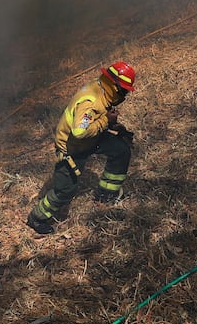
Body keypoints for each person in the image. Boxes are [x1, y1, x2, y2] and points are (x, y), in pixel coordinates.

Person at [26, 61, 136, 235]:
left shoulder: (101, 90)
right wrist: (106, 121)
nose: (124, 96)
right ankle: (36, 218)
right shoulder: (91, 101)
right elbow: (79, 131)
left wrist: (114, 127)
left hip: (91, 140)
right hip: (72, 148)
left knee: (120, 150)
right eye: (123, 91)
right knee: (65, 191)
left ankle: (107, 194)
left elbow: (94, 123)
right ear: (114, 87)